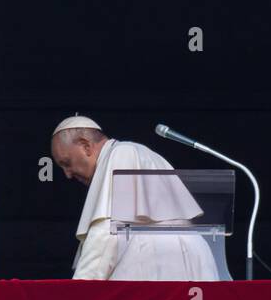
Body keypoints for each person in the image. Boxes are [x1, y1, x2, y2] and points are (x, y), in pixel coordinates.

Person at [50, 115, 221, 281]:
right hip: (193, 259)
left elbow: (106, 233)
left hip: (160, 259)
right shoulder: (143, 153)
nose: (67, 174)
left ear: (85, 146)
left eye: (66, 163)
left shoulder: (121, 153)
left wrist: (78, 289)